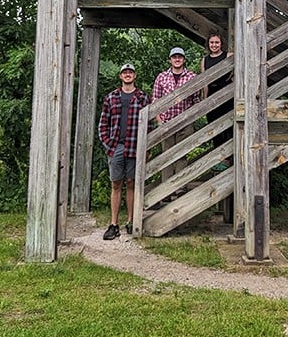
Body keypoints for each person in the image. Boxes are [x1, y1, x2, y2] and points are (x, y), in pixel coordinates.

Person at [98, 62, 149, 239]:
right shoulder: (111, 98)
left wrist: (146, 146)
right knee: (116, 183)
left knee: (131, 183)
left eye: (130, 72)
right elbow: (103, 123)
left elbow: (148, 124)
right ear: (120, 76)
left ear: (135, 76)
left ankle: (130, 221)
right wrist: (107, 144)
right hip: (116, 147)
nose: (127, 74)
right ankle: (113, 223)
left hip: (135, 146)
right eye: (125, 72)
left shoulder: (142, 97)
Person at [152, 47, 200, 182]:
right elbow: (155, 100)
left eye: (179, 57)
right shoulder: (161, 77)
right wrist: (159, 120)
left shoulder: (191, 76)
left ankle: (180, 186)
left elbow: (196, 99)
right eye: (174, 57)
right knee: (166, 156)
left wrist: (191, 118)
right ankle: (165, 189)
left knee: (181, 154)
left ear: (184, 60)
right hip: (166, 122)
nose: (177, 59)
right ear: (170, 60)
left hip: (184, 122)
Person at [200, 32, 233, 156]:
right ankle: (220, 156)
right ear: (208, 44)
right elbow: (205, 82)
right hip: (212, 94)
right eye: (212, 42)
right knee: (214, 124)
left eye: (216, 42)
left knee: (229, 123)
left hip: (227, 91)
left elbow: (236, 72)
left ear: (221, 44)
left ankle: (231, 154)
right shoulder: (204, 60)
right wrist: (205, 99)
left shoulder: (229, 55)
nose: (214, 45)